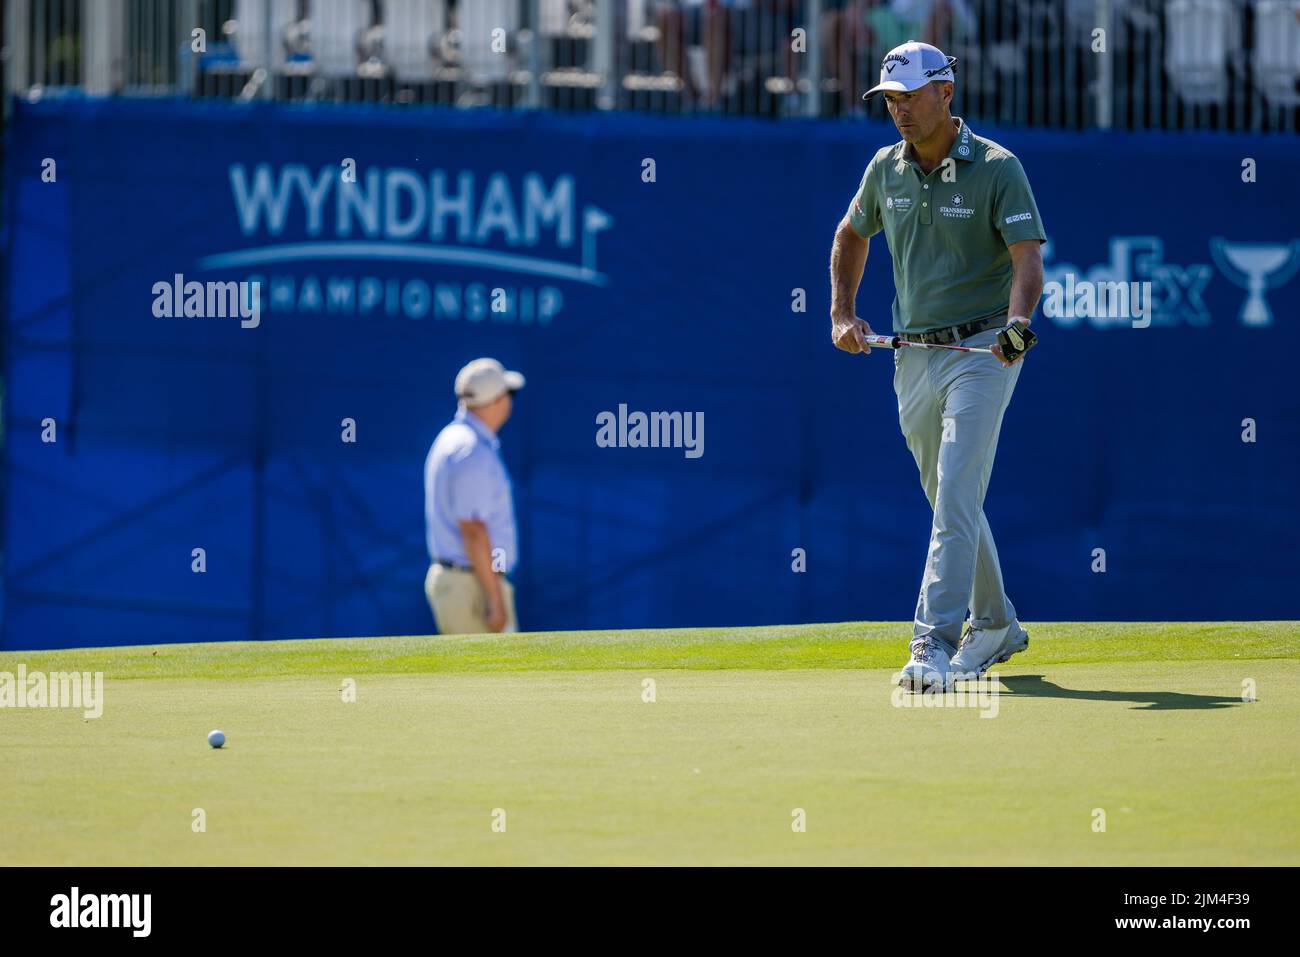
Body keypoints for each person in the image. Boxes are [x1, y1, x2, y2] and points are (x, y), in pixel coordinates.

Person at [827, 41, 1046, 690]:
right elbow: (849, 234)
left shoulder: (998, 168)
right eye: (890, 100)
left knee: (954, 491)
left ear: (946, 93)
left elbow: (1026, 259)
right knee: (950, 497)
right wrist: (842, 312)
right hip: (912, 355)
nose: (899, 111)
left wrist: (1017, 324)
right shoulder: (883, 168)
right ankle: (998, 622)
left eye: (910, 97)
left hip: (982, 354)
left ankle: (934, 645)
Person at [423, 357, 524, 635]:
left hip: (470, 581)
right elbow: (473, 530)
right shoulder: (471, 450)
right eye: (508, 394)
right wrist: (494, 599)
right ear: (496, 401)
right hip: (473, 586)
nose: (510, 402)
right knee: (492, 678)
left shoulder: (458, 440)